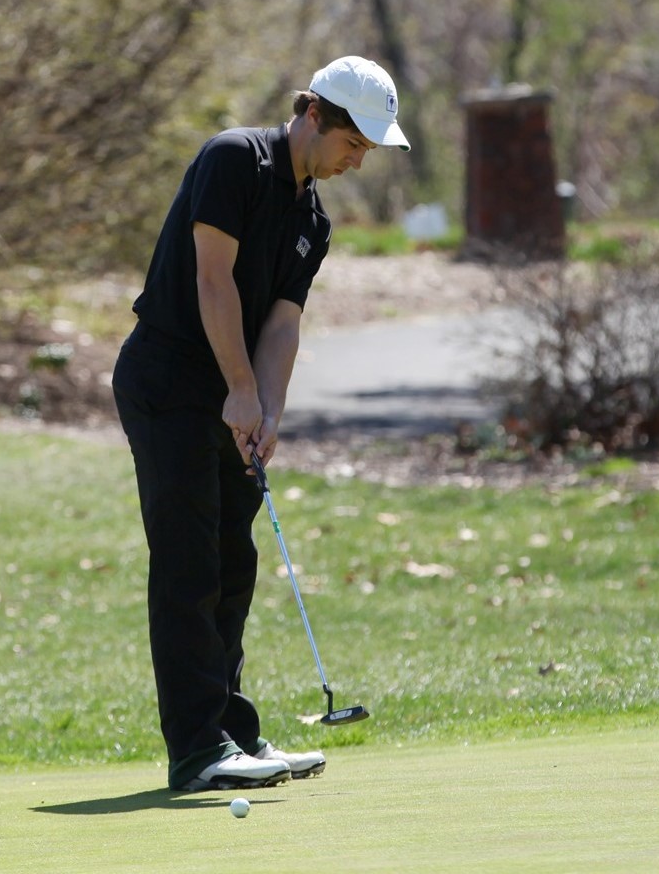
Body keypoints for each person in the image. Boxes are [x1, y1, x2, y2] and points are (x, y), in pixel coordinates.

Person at [112, 55, 410, 792]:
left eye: (368, 149)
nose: (357, 159)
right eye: (352, 142)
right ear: (314, 115)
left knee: (231, 565)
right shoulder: (232, 160)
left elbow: (282, 322)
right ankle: (195, 750)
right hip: (168, 379)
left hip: (229, 395)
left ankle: (230, 735)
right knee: (188, 565)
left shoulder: (314, 219)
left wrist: (266, 408)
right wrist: (239, 390)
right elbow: (212, 279)